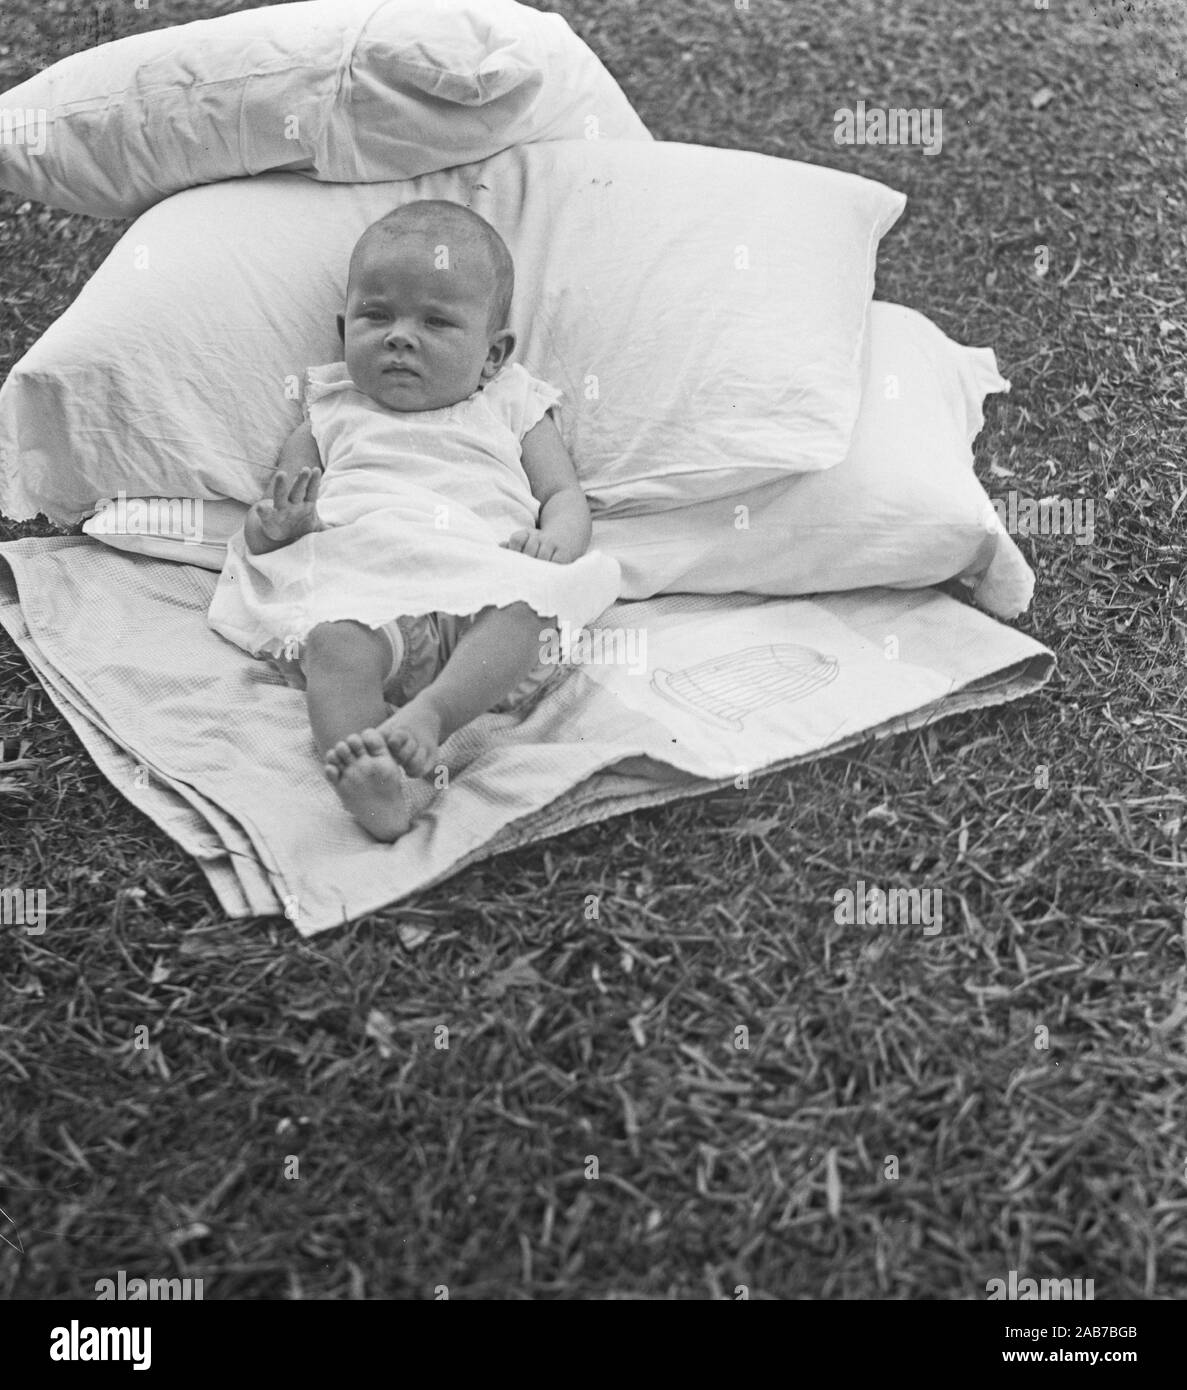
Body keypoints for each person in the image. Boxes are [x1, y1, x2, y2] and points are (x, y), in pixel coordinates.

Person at [208, 200, 620, 840]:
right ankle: (379, 777)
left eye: (436, 321)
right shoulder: (332, 410)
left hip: (479, 592)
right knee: (334, 644)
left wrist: (556, 545)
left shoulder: (512, 404)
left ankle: (432, 714)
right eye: (377, 316)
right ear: (344, 329)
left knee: (532, 611)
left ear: (493, 355)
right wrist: (281, 525)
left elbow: (564, 494)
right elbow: (279, 515)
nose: (400, 336)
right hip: (370, 590)